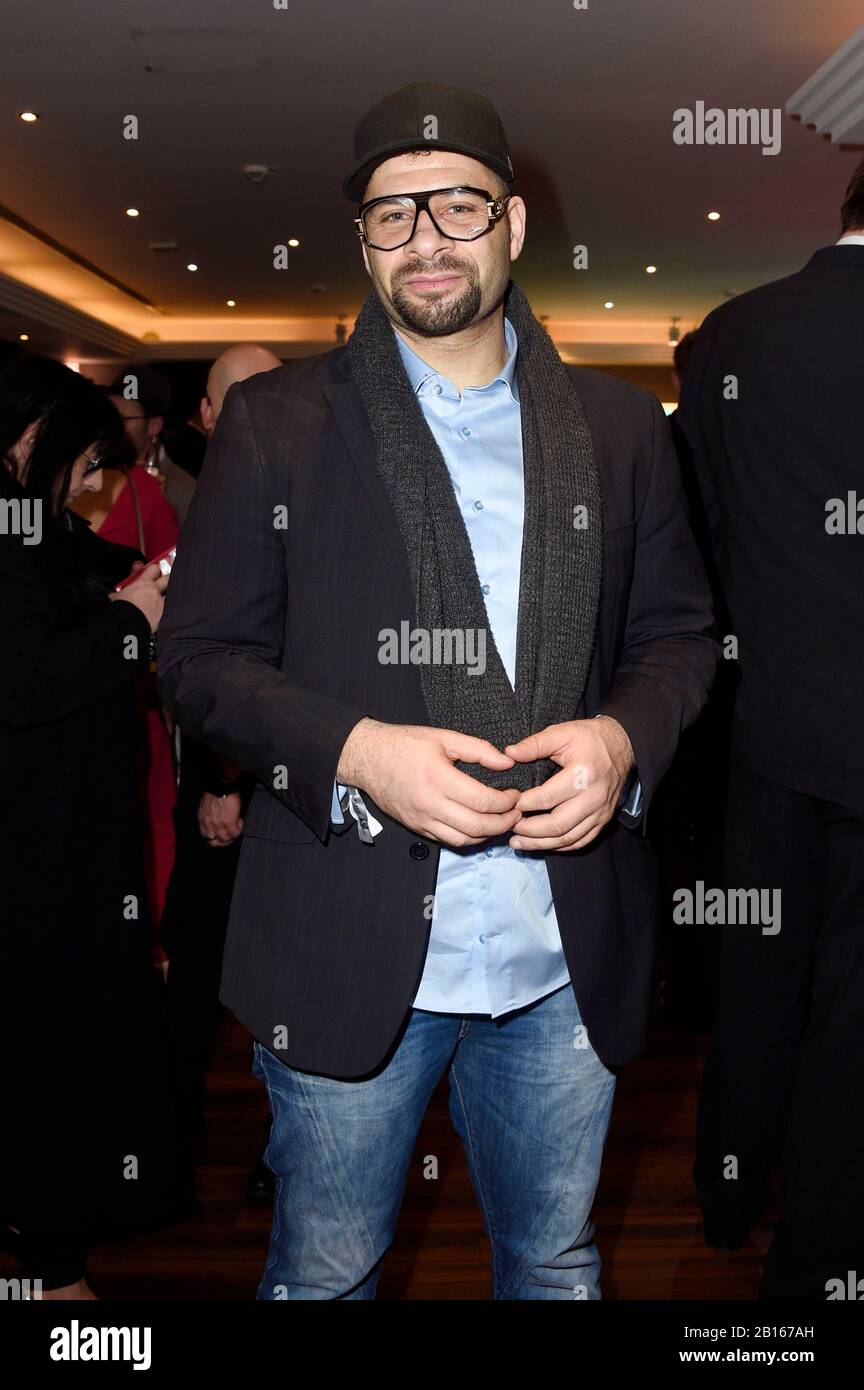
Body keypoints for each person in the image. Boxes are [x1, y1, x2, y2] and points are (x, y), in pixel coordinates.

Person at [158, 82, 717, 1301]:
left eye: (456, 204)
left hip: (564, 952)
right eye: (392, 214)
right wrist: (357, 748)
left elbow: (680, 634)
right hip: (348, 944)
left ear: (513, 223)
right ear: (362, 241)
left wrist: (622, 740)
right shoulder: (276, 426)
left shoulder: (623, 432)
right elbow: (196, 660)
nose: (426, 238)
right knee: (325, 1272)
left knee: (557, 1263)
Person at [677, 155, 864, 1299]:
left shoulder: (737, 336)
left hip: (767, 721)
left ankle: (726, 1187)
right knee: (852, 1003)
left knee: (758, 972)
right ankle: (821, 1261)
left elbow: (696, 537)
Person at [0, 356, 182, 1299]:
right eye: (82, 460)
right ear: (31, 437)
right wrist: (131, 626)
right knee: (46, 1057)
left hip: (57, 849)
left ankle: (50, 1258)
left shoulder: (26, 521)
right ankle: (56, 1274)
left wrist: (143, 590)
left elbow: (71, 572)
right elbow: (21, 681)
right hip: (36, 861)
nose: (94, 482)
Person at [160, 345, 280, 1183]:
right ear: (205, 417)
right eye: (232, 401)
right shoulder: (196, 511)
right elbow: (200, 664)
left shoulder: (321, 494)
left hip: (303, 795)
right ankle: (168, 1145)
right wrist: (218, 782)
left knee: (289, 985)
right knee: (199, 973)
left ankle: (290, 1156)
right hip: (228, 788)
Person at [70, 429, 180, 965]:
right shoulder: (30, 512)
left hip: (130, 692)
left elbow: (151, 568)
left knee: (149, 816)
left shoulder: (141, 488)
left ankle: (151, 946)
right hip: (74, 705)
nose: (91, 478)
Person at [107, 363, 197, 525]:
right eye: (108, 417)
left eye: (121, 420)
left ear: (154, 425)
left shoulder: (182, 491)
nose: (111, 428)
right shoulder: (97, 478)